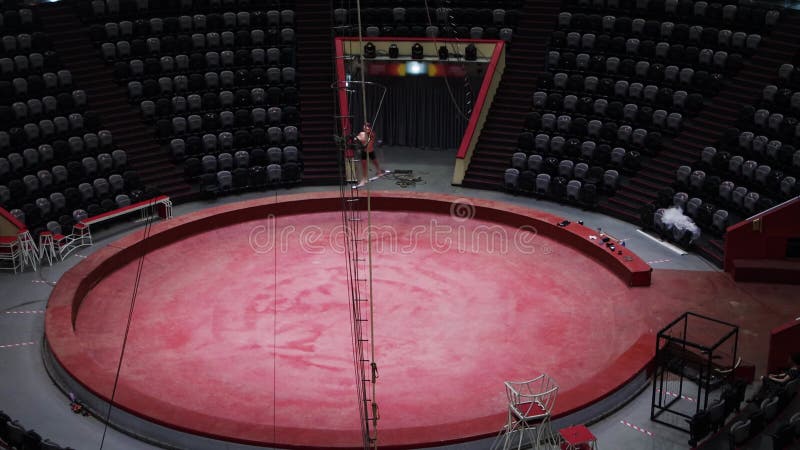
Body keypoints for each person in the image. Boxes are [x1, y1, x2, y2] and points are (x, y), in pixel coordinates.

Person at [355, 122, 386, 187]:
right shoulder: (361, 133)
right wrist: (356, 139)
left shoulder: (372, 134)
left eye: (366, 127)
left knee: (375, 162)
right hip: (364, 152)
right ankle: (364, 179)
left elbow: (370, 136)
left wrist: (368, 133)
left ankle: (379, 171)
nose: (364, 128)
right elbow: (357, 139)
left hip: (371, 151)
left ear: (369, 128)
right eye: (364, 127)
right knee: (364, 166)